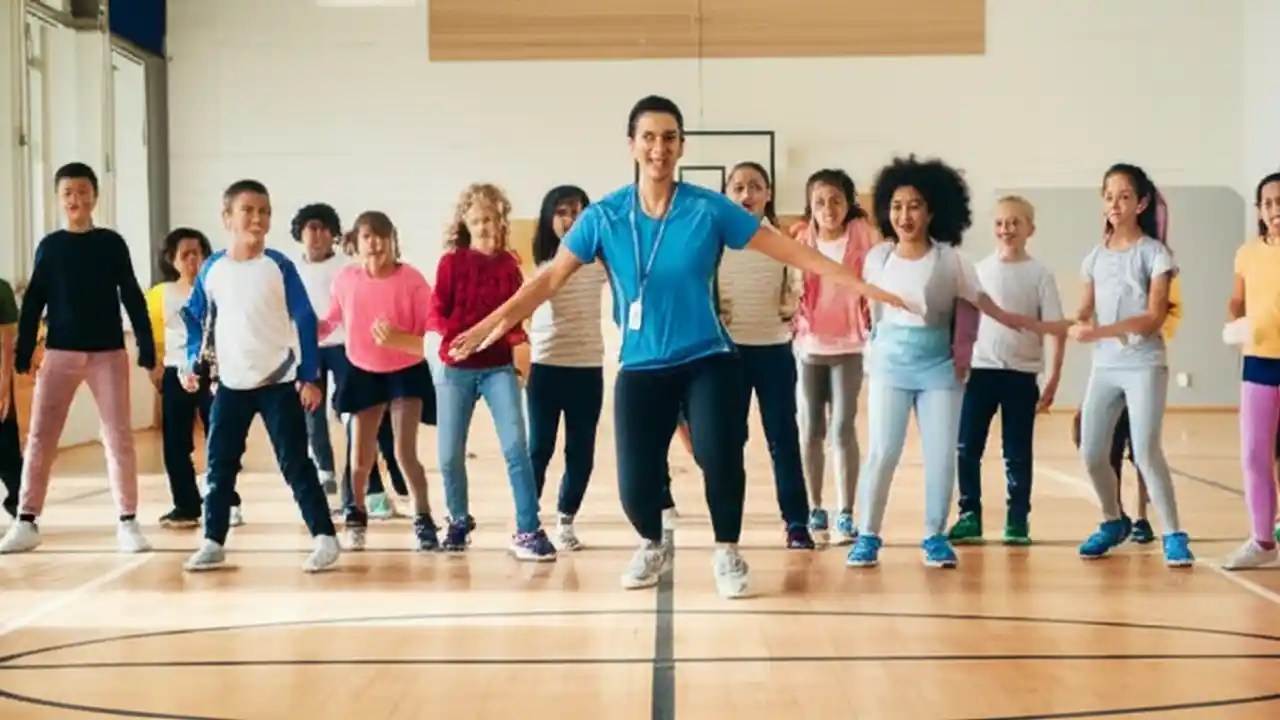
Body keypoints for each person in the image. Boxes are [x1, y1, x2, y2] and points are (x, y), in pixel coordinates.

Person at [446, 95, 910, 598]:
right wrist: (495, 321)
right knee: (634, 485)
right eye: (649, 137)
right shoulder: (604, 216)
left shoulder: (709, 209)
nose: (659, 147)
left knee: (719, 454)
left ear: (682, 145)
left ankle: (727, 552)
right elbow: (549, 279)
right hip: (642, 366)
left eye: (669, 137)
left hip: (706, 358)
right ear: (632, 145)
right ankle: (652, 541)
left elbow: (794, 251)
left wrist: (865, 287)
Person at [845, 155, 1045, 570]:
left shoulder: (951, 261)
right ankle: (867, 535)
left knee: (940, 455)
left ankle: (935, 535)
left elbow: (982, 304)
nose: (905, 215)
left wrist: (1024, 323)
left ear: (932, 210)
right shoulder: (877, 259)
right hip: (889, 369)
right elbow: (867, 311)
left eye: (915, 205)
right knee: (883, 450)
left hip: (939, 371)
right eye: (897, 206)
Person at [179, 179, 340, 572]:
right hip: (231, 387)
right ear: (227, 217)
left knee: (296, 464)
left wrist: (309, 375)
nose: (257, 217)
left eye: (264, 211)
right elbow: (194, 317)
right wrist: (190, 361)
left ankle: (325, 537)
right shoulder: (212, 269)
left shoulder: (279, 266)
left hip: (278, 383)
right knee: (219, 465)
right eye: (248, 210)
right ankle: (213, 541)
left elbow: (304, 318)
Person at [1, 162, 155, 554]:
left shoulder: (111, 243)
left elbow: (132, 294)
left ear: (95, 197)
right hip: (60, 353)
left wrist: (147, 345)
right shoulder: (50, 247)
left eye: (83, 191)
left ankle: (128, 520)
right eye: (68, 192)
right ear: (59, 199)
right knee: (40, 437)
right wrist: (23, 352)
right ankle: (27, 519)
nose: (76, 199)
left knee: (118, 437)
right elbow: (34, 297)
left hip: (107, 354)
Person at [1069, 163, 1192, 567]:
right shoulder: (1093, 257)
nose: (1115, 203)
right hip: (1104, 368)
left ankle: (1174, 533)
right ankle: (1112, 520)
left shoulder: (1156, 255)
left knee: (1146, 450)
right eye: (1108, 196)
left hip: (1144, 365)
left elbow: (1154, 316)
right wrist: (1079, 323)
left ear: (1140, 203)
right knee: (1090, 451)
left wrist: (1103, 331)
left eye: (1124, 196)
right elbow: (1085, 309)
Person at [432, 182, 556, 561]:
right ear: (465, 225)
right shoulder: (451, 263)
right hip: (456, 370)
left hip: (498, 367)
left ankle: (528, 528)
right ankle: (457, 520)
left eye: (489, 219)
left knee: (516, 447)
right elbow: (436, 311)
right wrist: (451, 339)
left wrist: (518, 359)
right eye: (476, 220)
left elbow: (516, 319)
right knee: (449, 454)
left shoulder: (509, 267)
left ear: (500, 222)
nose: (484, 226)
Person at [318, 210, 438, 551]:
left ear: (393, 241)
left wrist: (399, 338)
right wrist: (307, 331)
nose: (376, 243)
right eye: (368, 236)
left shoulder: (412, 280)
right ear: (355, 242)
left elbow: (427, 332)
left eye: (383, 236)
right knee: (360, 458)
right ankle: (355, 515)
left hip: (406, 372)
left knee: (404, 453)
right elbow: (330, 320)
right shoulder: (345, 280)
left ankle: (424, 518)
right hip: (362, 371)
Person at [948, 196, 1065, 545]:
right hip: (981, 374)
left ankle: (1017, 519)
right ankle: (969, 514)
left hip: (1021, 375)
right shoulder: (979, 271)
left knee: (1017, 451)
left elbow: (1056, 329)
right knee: (967, 446)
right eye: (1000, 222)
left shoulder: (1040, 274)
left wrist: (1054, 377)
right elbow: (965, 325)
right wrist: (959, 364)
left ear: (1030, 228)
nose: (1007, 229)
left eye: (1015, 222)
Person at [719, 161, 814, 549]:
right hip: (728, 355)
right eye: (738, 187)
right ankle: (728, 527)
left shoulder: (782, 243)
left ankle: (796, 522)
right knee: (728, 441)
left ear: (768, 194)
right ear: (727, 194)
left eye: (755, 186)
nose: (747, 194)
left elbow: (798, 290)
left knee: (783, 438)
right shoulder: (715, 242)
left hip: (774, 352)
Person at [790, 168, 875, 547]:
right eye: (820, 201)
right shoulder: (799, 241)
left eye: (836, 200)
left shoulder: (864, 239)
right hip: (810, 348)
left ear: (848, 203)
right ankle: (815, 507)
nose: (829, 208)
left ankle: (845, 511)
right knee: (811, 429)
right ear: (809, 206)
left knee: (843, 427)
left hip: (850, 348)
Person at [146, 227, 244, 528]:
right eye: (184, 254)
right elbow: (151, 334)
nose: (191, 260)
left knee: (220, 437)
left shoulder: (216, 287)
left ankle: (228, 501)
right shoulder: (159, 294)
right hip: (176, 373)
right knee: (175, 443)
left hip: (213, 371)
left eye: (197, 253)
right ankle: (186, 505)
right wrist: (153, 366)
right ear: (172, 259)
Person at [525, 185, 605, 551]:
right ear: (548, 217)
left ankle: (566, 519)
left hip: (587, 367)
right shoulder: (541, 265)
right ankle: (528, 520)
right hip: (546, 366)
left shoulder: (599, 262)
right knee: (539, 448)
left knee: (581, 451)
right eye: (563, 212)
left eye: (578, 211)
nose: (571, 219)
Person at [1222, 171, 1280, 569]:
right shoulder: (1246, 253)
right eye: (1269, 203)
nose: (1276, 210)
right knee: (1254, 453)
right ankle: (1261, 540)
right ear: (1260, 210)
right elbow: (1237, 299)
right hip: (1259, 362)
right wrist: (1235, 321)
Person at [292, 203, 348, 495]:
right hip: (308, 348)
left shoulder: (347, 265)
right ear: (301, 233)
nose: (318, 235)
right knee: (312, 410)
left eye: (324, 229)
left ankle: (359, 468)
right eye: (311, 228)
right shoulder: (292, 268)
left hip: (343, 346)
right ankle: (324, 469)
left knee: (347, 406)